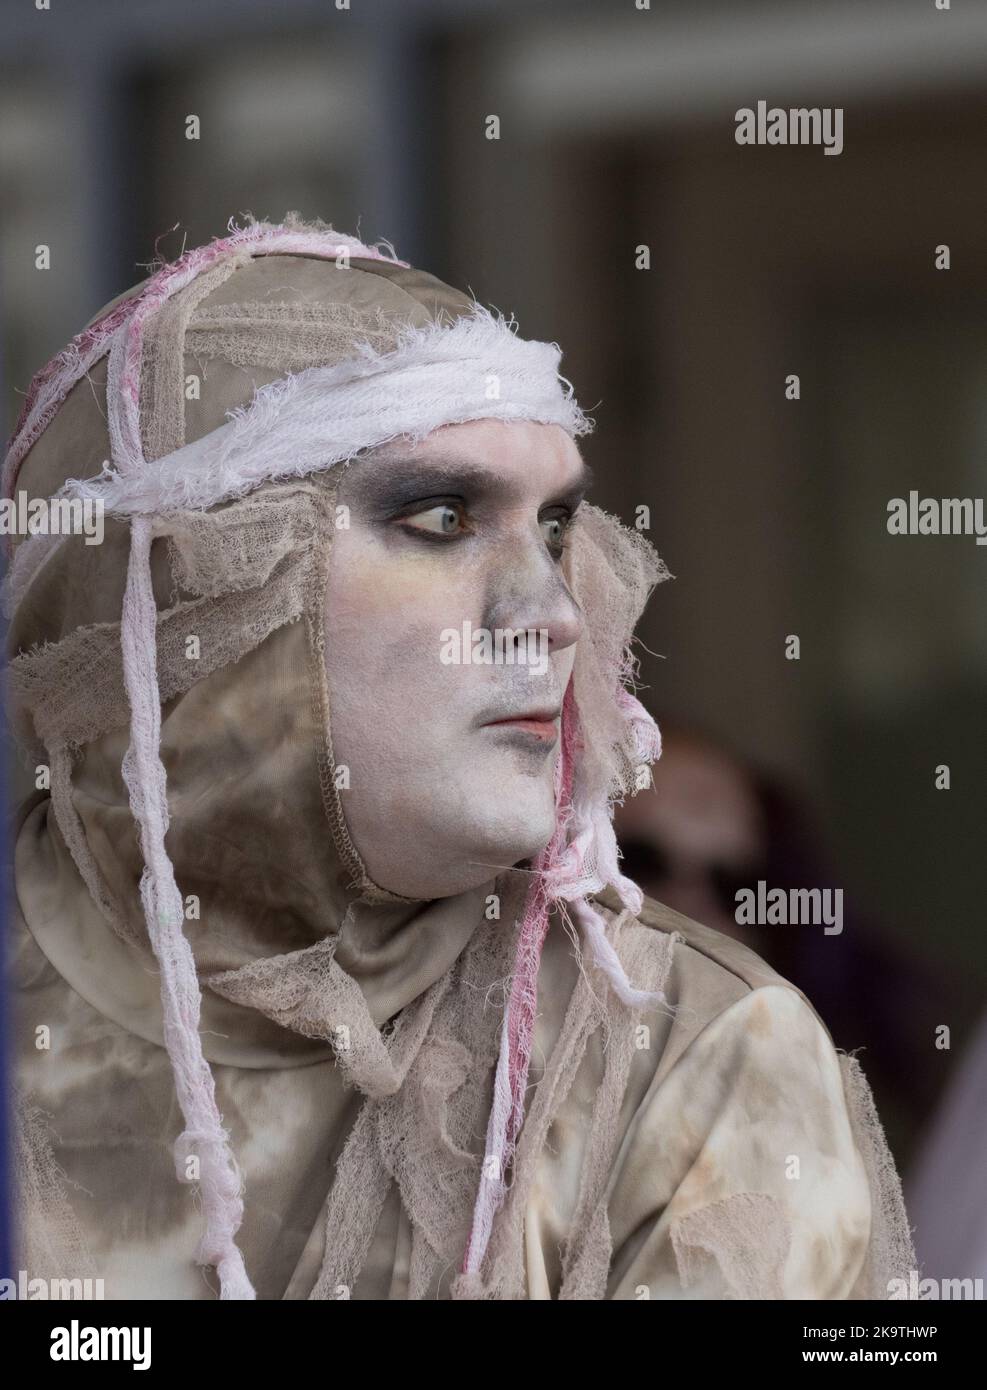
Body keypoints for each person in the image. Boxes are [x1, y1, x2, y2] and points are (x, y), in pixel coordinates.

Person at [2, 213, 916, 1300]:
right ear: (186, 587)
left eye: (558, 526)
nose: (555, 612)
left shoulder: (686, 1054)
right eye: (442, 515)